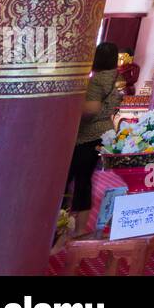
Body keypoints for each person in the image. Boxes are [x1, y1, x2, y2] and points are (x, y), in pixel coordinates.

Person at [63, 42, 123, 238]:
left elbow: (91, 109)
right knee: (84, 179)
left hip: (88, 135)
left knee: (74, 179)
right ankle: (76, 227)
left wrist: (69, 103)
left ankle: (68, 227)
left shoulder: (97, 81)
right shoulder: (115, 78)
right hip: (104, 132)